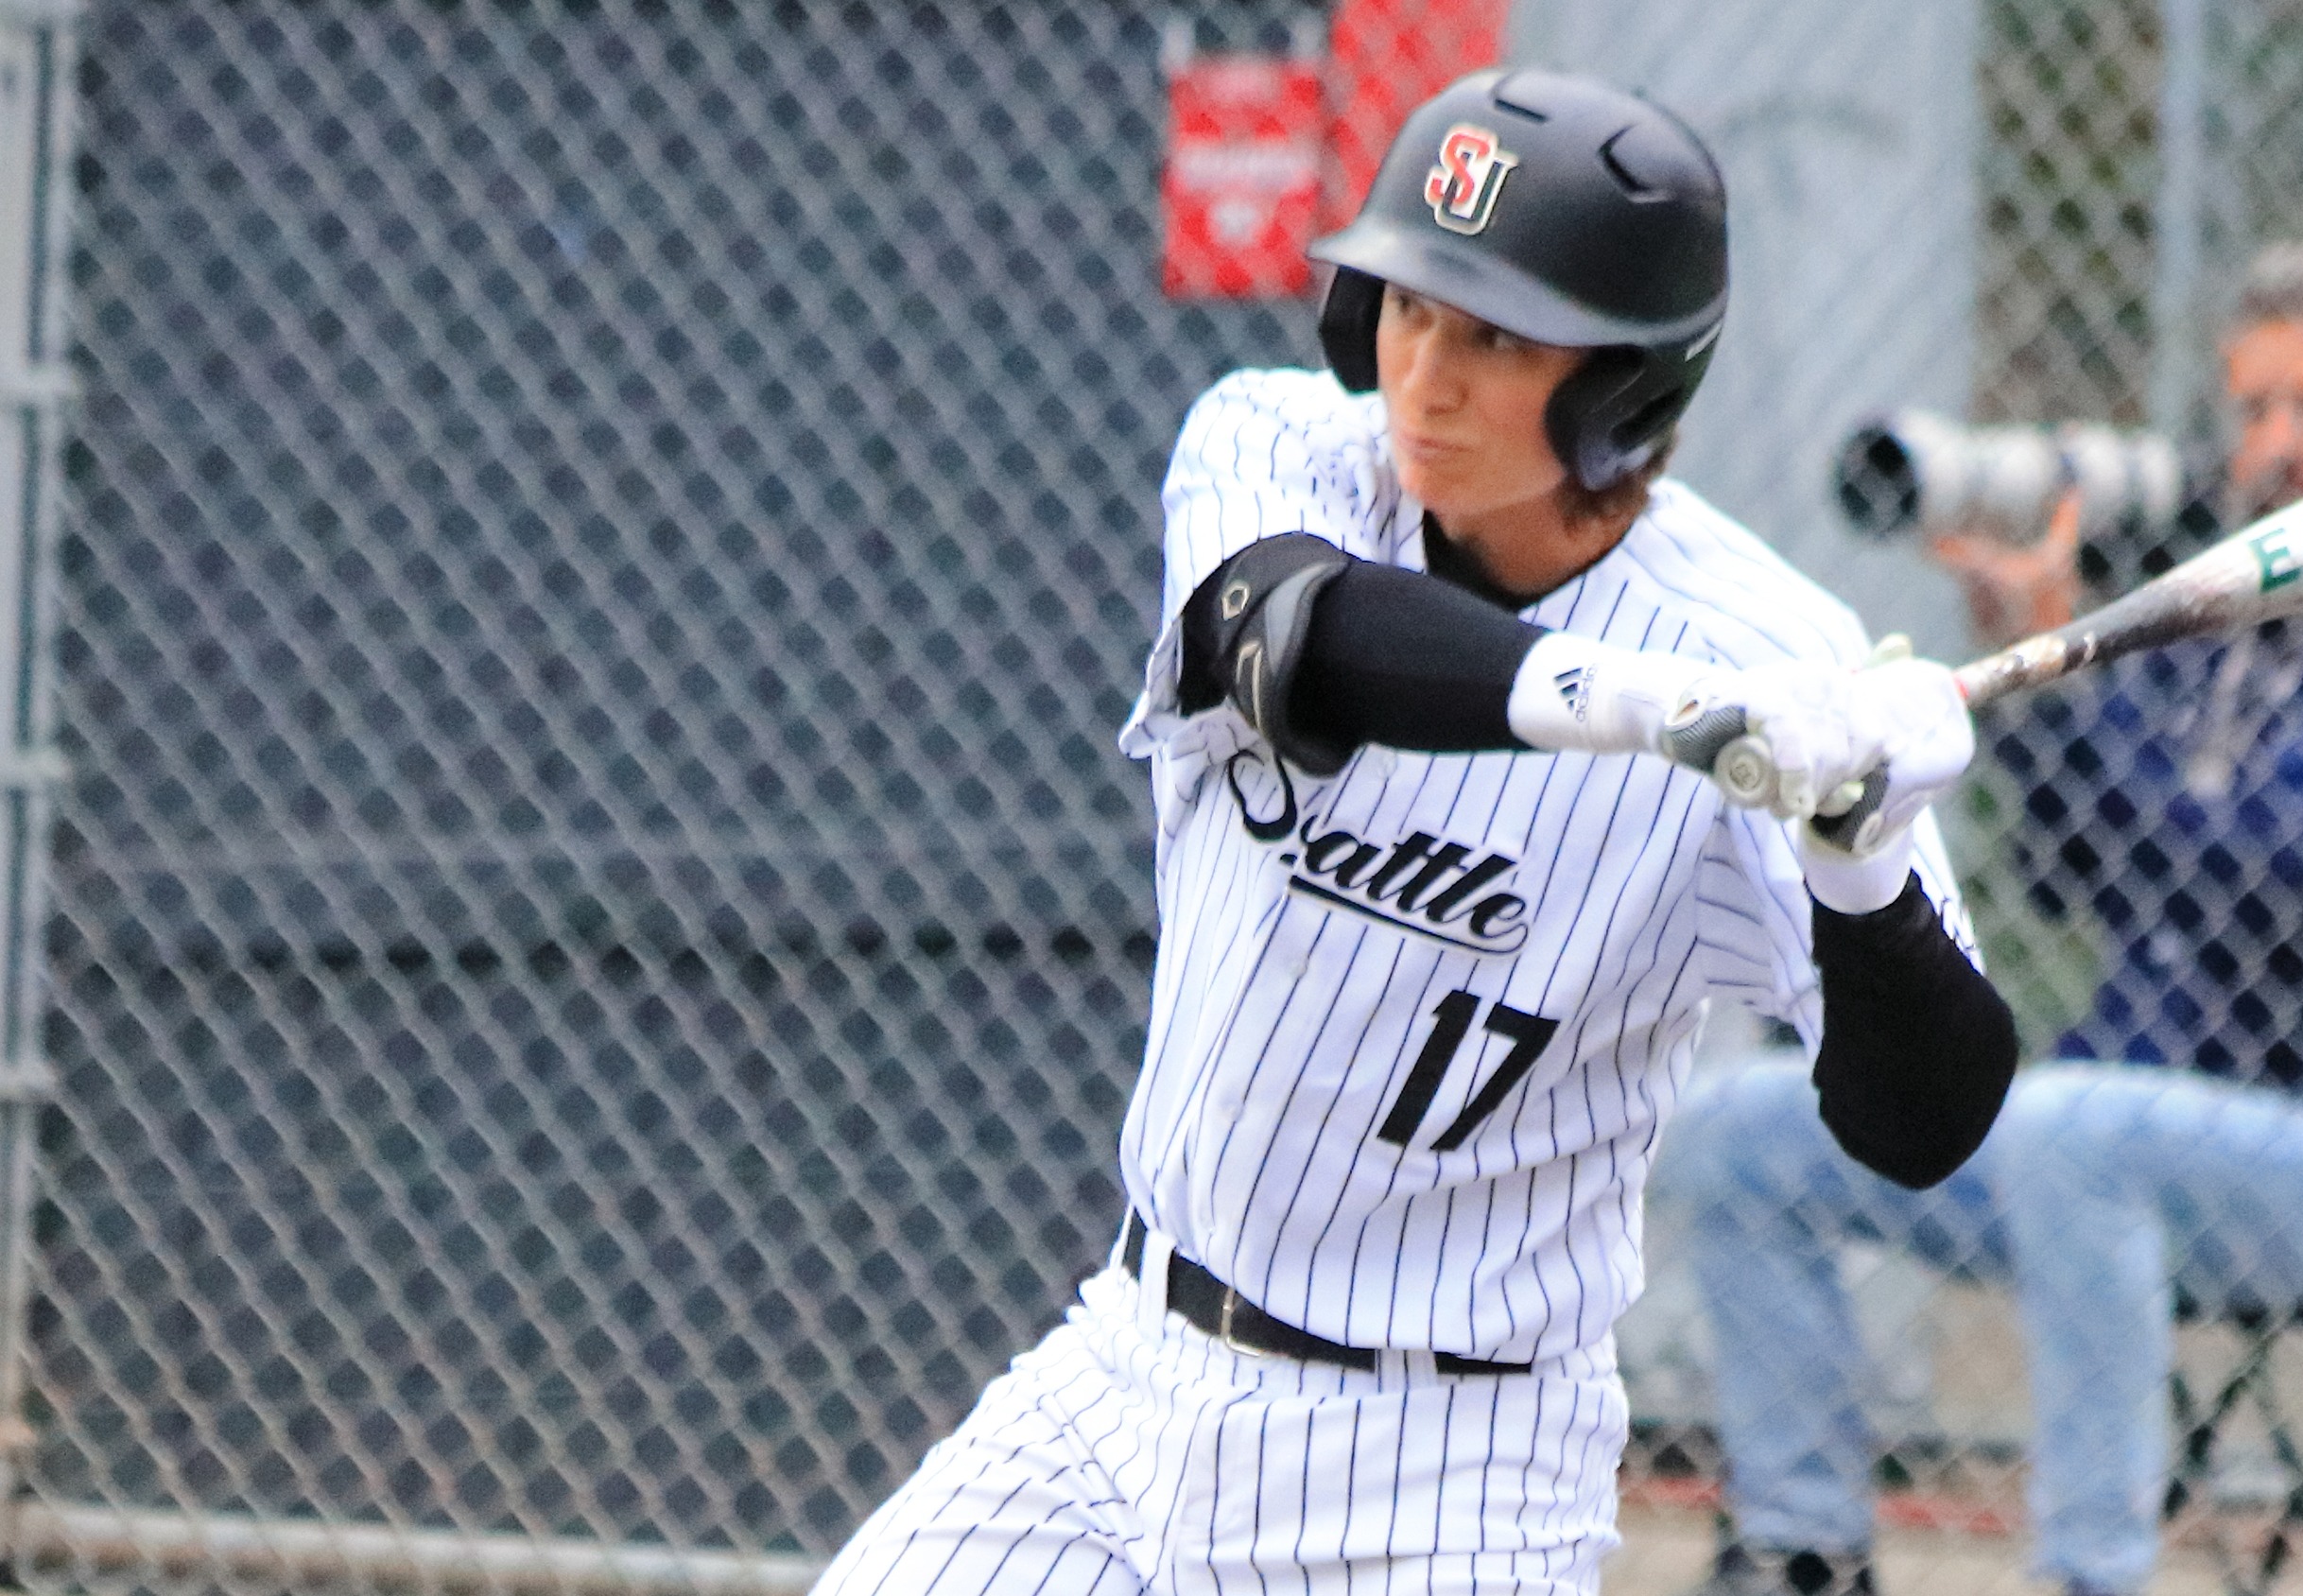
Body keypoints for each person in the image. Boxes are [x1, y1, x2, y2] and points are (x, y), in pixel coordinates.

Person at [807, 69, 2020, 1596]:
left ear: (1626, 385)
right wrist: (1656, 707)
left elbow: (1924, 1124)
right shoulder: (1281, 448)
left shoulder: (1777, 652)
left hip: (1440, 1478)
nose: (1425, 379)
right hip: (1120, 1381)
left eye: (1496, 337)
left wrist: (1866, 867)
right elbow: (1299, 645)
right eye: (1408, 307)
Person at [1659, 242, 2303, 1596]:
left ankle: (2092, 1576)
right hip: (2113, 1142)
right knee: (1742, 1135)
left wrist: (2082, 676)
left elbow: (2273, 865)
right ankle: (1803, 1552)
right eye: (2252, 411)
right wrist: (2033, 669)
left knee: (2074, 1129)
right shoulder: (2226, 629)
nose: (2275, 447)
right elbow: (2085, 876)